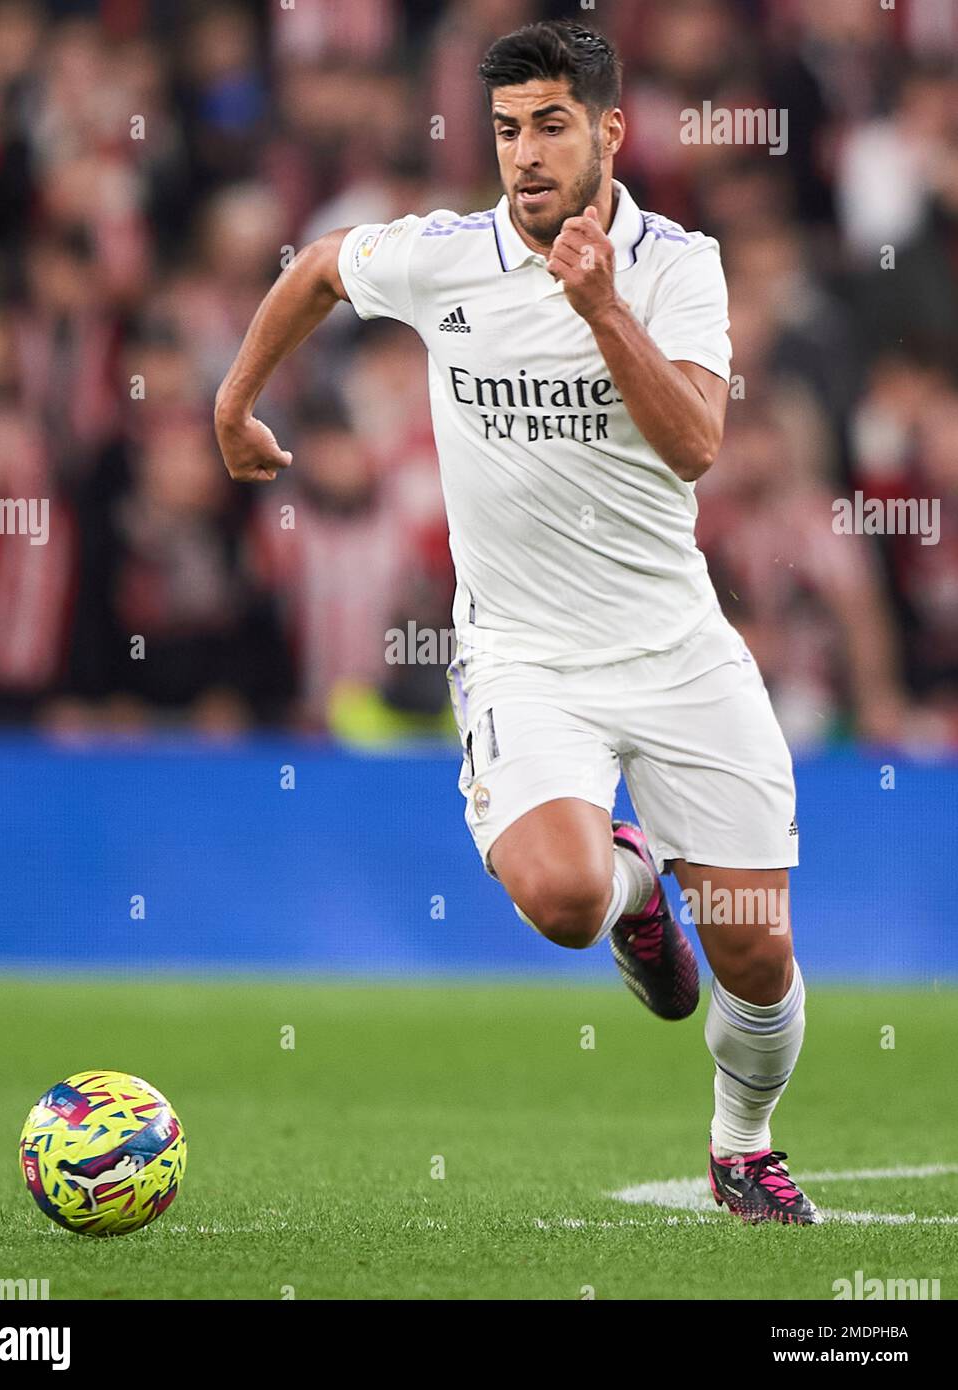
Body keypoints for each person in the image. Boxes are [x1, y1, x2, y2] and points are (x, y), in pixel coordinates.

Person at [215, 20, 817, 1225]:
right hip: (524, 655)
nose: (525, 156)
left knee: (753, 950)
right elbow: (324, 265)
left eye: (549, 126)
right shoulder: (446, 257)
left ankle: (739, 1142)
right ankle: (633, 892)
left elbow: (696, 444)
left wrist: (601, 311)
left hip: (675, 649)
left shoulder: (675, 266)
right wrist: (235, 405)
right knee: (559, 897)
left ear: (609, 130)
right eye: (504, 131)